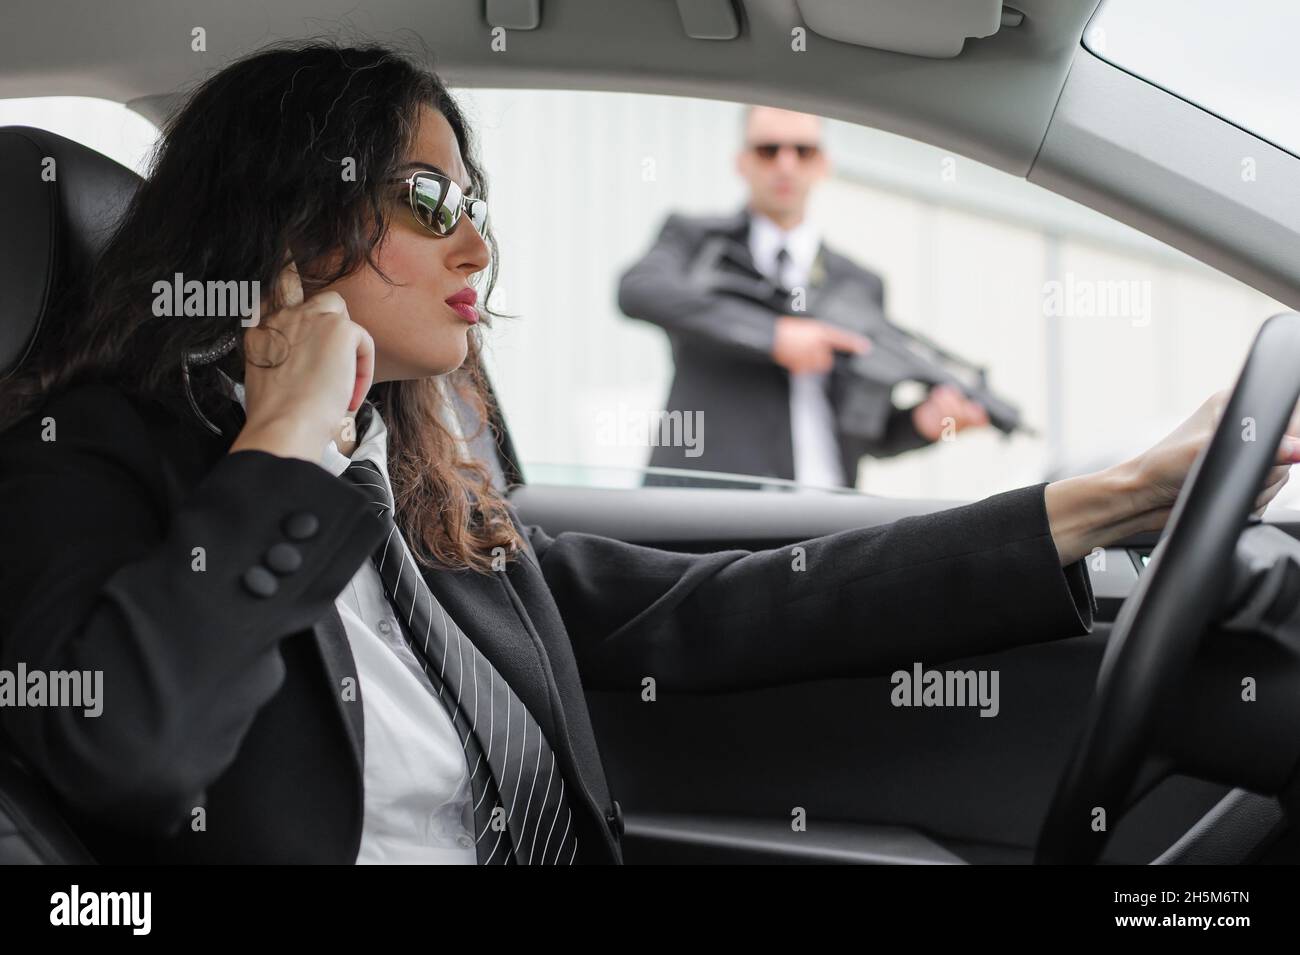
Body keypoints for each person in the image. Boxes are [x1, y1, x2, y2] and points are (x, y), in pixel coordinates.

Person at [0, 41, 1293, 865]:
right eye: (429, 201)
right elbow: (125, 753)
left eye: (479, 207)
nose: (475, 248)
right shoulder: (83, 465)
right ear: (280, 215)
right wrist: (278, 443)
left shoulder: (409, 482)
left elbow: (714, 609)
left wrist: (1117, 495)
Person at [619, 105, 992, 488]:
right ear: (742, 162)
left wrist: (921, 424)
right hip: (706, 510)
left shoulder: (861, 283)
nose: (786, 165)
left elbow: (862, 429)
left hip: (823, 519)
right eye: (768, 150)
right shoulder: (696, 239)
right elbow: (639, 290)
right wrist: (774, 336)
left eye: (803, 151)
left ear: (823, 164)